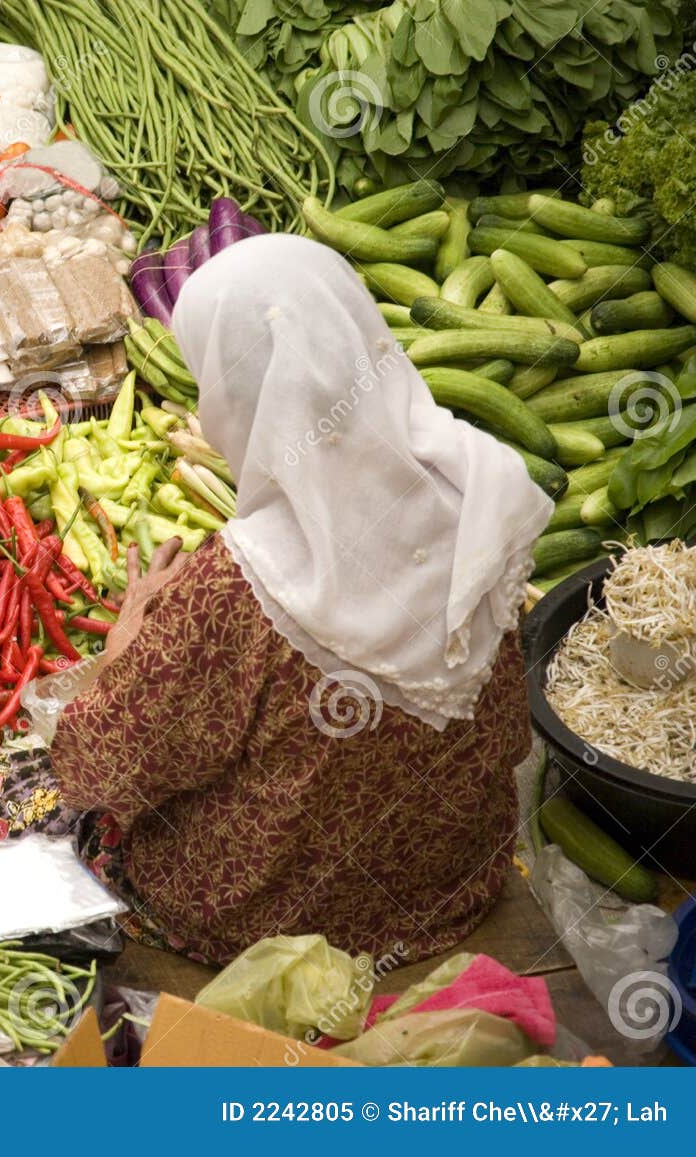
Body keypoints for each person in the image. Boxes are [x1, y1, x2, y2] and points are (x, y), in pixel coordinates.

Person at [43, 232, 553, 965]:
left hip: (268, 921)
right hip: (448, 883)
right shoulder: (483, 483)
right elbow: (504, 732)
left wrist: (119, 656)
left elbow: (99, 771)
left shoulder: (243, 584)